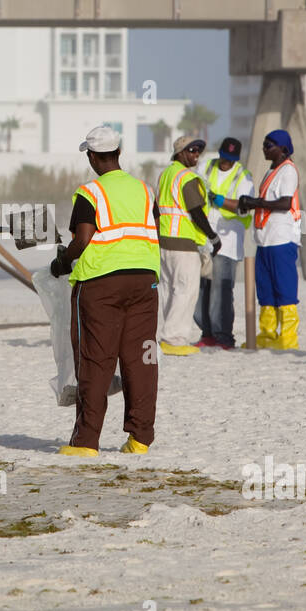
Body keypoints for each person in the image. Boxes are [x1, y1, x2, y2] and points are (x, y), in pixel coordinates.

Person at [50, 125, 160, 456]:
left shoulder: (90, 193)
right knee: (142, 357)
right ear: (119, 153)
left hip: (101, 284)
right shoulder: (144, 190)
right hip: (144, 281)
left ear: (93, 156)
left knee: (95, 359)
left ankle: (86, 442)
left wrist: (61, 262)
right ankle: (140, 438)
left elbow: (81, 241)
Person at [155, 135, 220, 355]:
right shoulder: (186, 177)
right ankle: (174, 340)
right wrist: (212, 236)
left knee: (168, 290)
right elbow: (196, 212)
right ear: (180, 153)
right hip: (182, 242)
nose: (196, 155)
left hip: (163, 242)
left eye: (198, 151)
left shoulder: (165, 174)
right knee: (185, 290)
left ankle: (167, 337)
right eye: (192, 150)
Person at [238, 129, 302, 349]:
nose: (264, 149)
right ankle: (267, 336)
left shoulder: (288, 171)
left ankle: (287, 338)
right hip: (264, 239)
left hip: (281, 238)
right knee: (265, 289)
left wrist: (255, 203)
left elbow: (284, 203)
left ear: (283, 149)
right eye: (263, 145)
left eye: (269, 145)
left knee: (284, 288)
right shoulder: (271, 171)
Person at [195, 136, 252, 349]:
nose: (225, 163)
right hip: (204, 239)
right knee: (202, 289)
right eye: (223, 158)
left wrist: (218, 199)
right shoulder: (206, 166)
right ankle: (207, 333)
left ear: (236, 159)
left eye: (230, 159)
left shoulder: (243, 176)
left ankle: (224, 337)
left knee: (221, 291)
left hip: (228, 242)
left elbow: (243, 207)